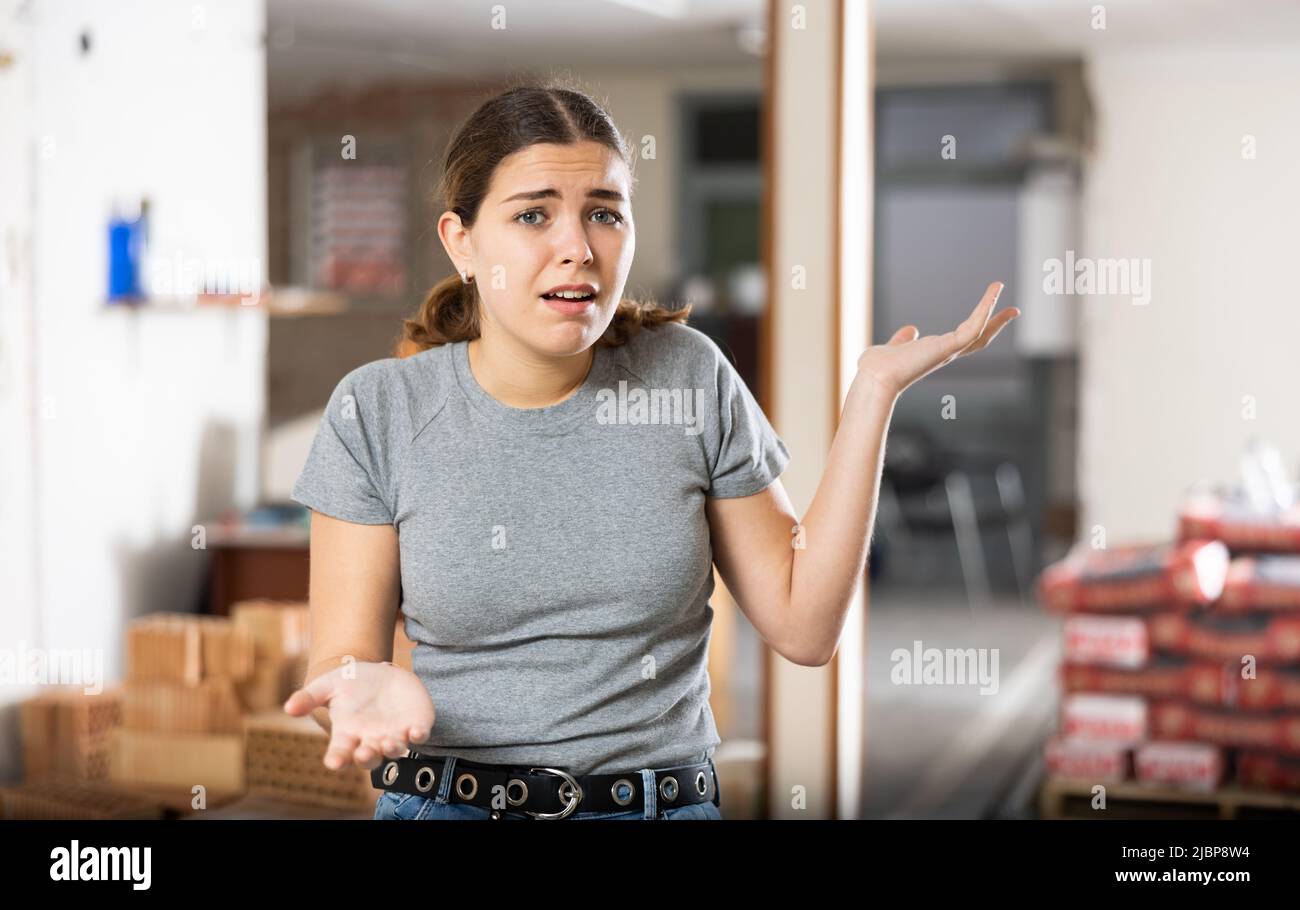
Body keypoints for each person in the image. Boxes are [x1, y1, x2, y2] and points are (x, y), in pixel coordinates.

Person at [282, 82, 1018, 822]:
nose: (577, 248)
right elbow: (341, 662)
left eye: (604, 213)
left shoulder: (687, 376)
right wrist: (358, 687)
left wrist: (874, 394)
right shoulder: (377, 409)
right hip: (446, 804)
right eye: (533, 214)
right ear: (461, 241)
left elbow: (805, 626)